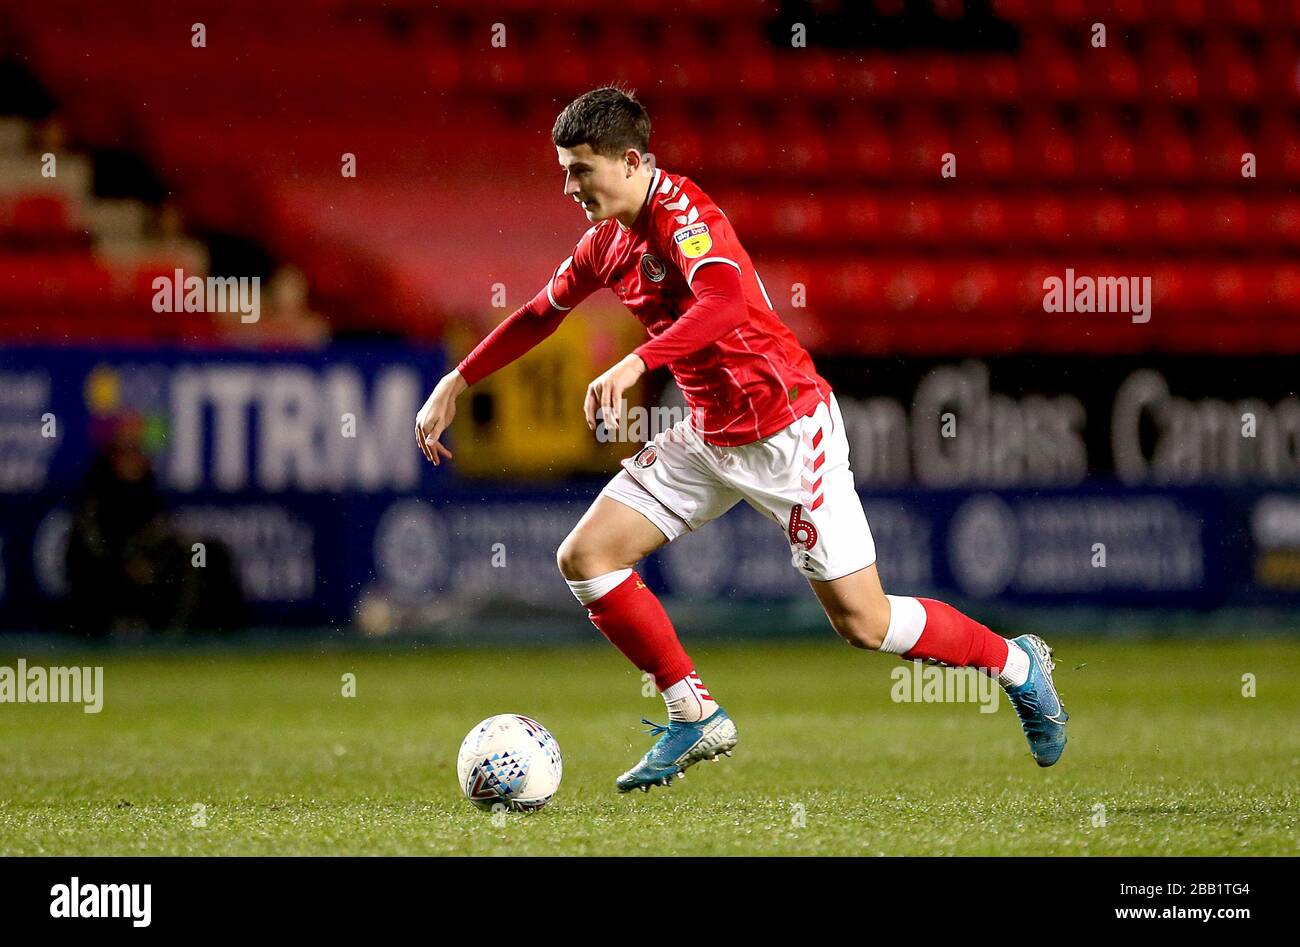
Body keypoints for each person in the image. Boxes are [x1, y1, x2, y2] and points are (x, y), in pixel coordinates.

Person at [415, 86, 1067, 793]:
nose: (569, 185)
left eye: (581, 169)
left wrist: (638, 359)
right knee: (587, 554)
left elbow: (723, 301)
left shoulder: (686, 215)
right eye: (564, 170)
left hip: (787, 429)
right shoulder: (605, 243)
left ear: (631, 161)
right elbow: (542, 313)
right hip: (707, 433)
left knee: (865, 621)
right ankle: (692, 711)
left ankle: (1018, 664)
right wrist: (458, 377)